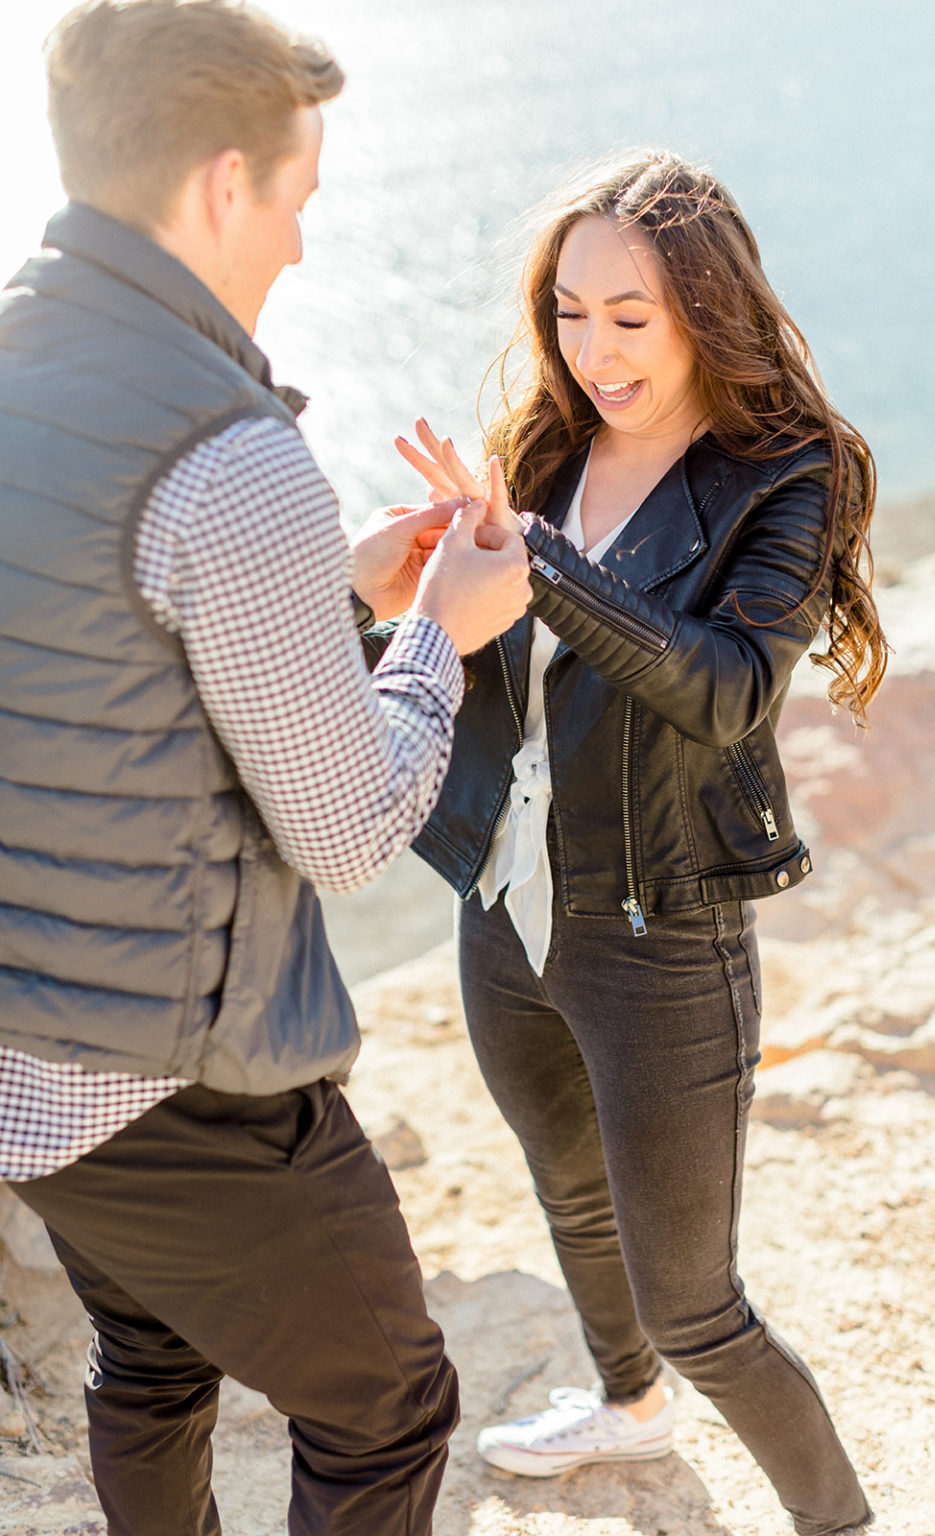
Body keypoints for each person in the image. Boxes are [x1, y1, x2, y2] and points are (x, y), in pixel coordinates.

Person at [0, 3, 531, 1534]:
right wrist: (443, 626)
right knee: (389, 1403)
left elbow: (88, 650)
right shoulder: (228, 458)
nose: (300, 245)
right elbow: (353, 824)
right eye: (296, 202)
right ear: (224, 185)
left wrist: (322, 586)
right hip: (179, 1074)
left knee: (151, 1364)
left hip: (27, 1049)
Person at [396, 151, 887, 1536]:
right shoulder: (546, 446)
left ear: (706, 311)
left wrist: (540, 562)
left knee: (698, 1303)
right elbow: (476, 652)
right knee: (567, 1190)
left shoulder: (786, 476)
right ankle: (627, 1407)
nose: (594, 350)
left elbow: (731, 688)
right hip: (504, 905)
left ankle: (838, 1521)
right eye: (568, 311)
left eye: (633, 316)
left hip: (663, 933)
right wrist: (392, 586)